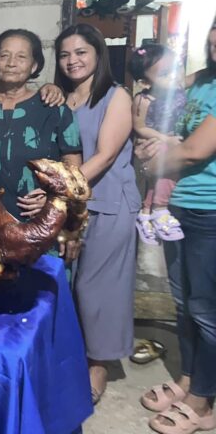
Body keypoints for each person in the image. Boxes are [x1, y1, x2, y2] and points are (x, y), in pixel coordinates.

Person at [54, 23, 141, 405]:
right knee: (70, 284)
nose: (72, 60)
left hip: (109, 202)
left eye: (81, 52)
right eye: (65, 54)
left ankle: (98, 364)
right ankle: (73, 354)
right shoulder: (63, 97)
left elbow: (104, 156)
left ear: (97, 54)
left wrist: (55, 190)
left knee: (96, 289)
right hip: (74, 205)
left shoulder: (116, 96)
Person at [136, 23, 216, 433]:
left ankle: (204, 403)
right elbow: (162, 81)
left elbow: (195, 150)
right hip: (182, 205)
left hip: (211, 210)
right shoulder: (201, 81)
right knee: (185, 304)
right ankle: (188, 380)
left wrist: (152, 160)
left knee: (207, 312)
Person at [0, 28, 82, 222]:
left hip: (41, 221)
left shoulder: (55, 109)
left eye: (21, 57)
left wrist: (55, 199)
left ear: (34, 66)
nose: (11, 63)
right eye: (4, 56)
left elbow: (73, 168)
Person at [128, 43, 187, 245]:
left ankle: (146, 212)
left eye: (175, 68)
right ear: (145, 81)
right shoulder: (145, 100)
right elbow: (140, 127)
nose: (173, 76)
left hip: (170, 139)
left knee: (159, 177)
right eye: (164, 73)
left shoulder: (180, 90)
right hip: (155, 140)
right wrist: (167, 139)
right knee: (167, 169)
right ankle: (160, 208)